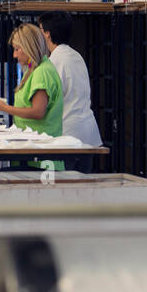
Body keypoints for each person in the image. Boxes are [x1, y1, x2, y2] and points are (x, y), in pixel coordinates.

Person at [0, 23, 64, 172]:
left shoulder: (42, 72)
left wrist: (3, 108)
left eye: (17, 49)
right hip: (31, 153)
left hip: (41, 159)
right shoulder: (33, 71)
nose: (14, 55)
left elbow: (37, 112)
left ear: (29, 46)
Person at [39, 13, 102, 173]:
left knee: (60, 191)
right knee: (82, 190)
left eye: (40, 29)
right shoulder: (77, 56)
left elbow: (45, 104)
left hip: (66, 136)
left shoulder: (54, 63)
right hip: (87, 135)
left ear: (47, 33)